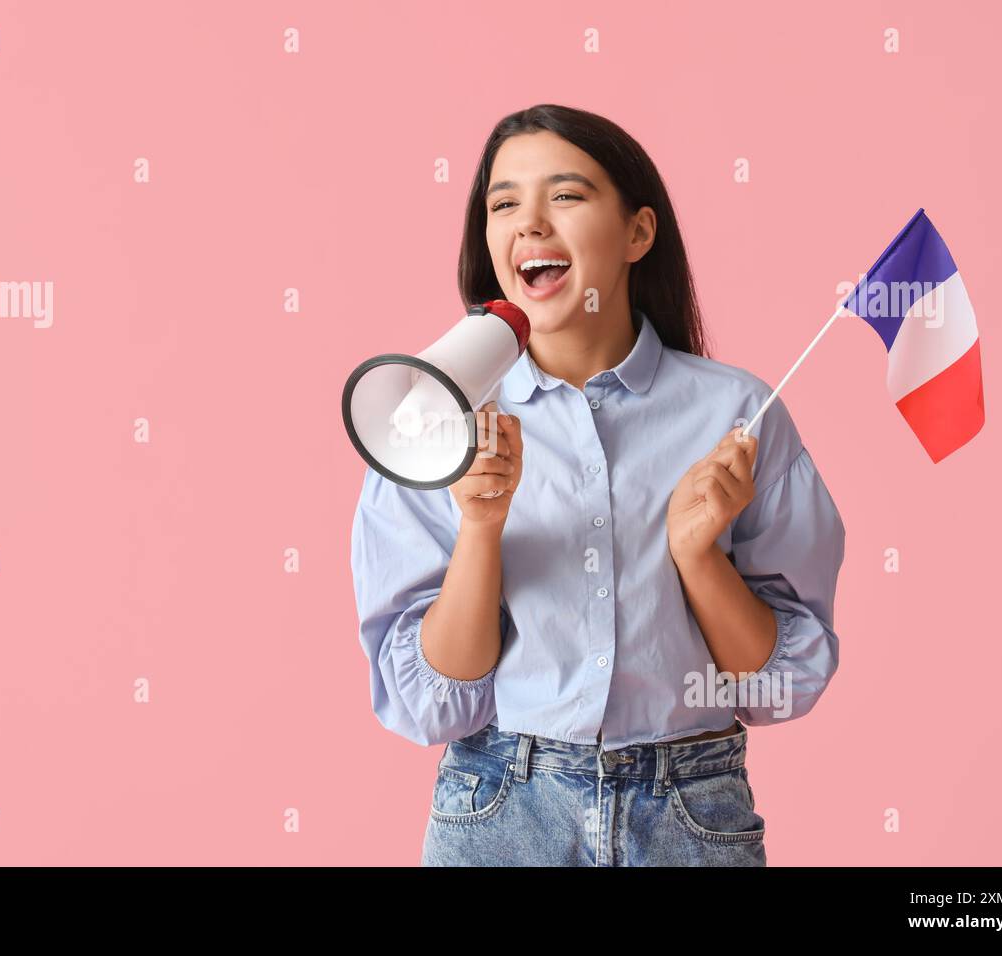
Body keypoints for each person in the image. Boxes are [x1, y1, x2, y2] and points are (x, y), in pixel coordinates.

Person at [349, 104, 845, 866]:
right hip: (500, 810)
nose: (530, 223)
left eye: (567, 196)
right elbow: (431, 699)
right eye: (504, 203)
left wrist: (698, 557)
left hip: (690, 811)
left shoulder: (738, 415)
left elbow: (776, 685)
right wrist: (481, 529)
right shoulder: (432, 416)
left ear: (638, 233)